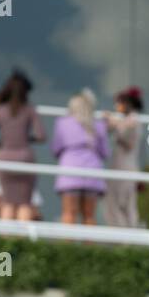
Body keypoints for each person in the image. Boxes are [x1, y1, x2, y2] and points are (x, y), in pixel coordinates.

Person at [0, 69, 46, 222]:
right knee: (24, 203)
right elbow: (41, 136)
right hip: (25, 158)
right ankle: (20, 243)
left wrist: (3, 146)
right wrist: (27, 139)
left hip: (5, 158)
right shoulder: (29, 110)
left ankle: (7, 244)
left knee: (7, 202)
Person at [51, 89, 110, 226]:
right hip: (92, 173)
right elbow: (105, 153)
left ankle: (67, 247)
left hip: (70, 172)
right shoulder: (99, 125)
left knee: (68, 214)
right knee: (89, 216)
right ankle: (90, 247)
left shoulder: (63, 123)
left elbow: (56, 149)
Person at [101, 87, 143, 229]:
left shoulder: (133, 120)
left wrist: (115, 123)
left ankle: (125, 239)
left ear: (128, 103)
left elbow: (129, 143)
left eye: (119, 103)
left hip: (124, 169)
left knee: (118, 204)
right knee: (123, 204)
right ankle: (127, 238)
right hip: (123, 168)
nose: (116, 107)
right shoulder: (126, 120)